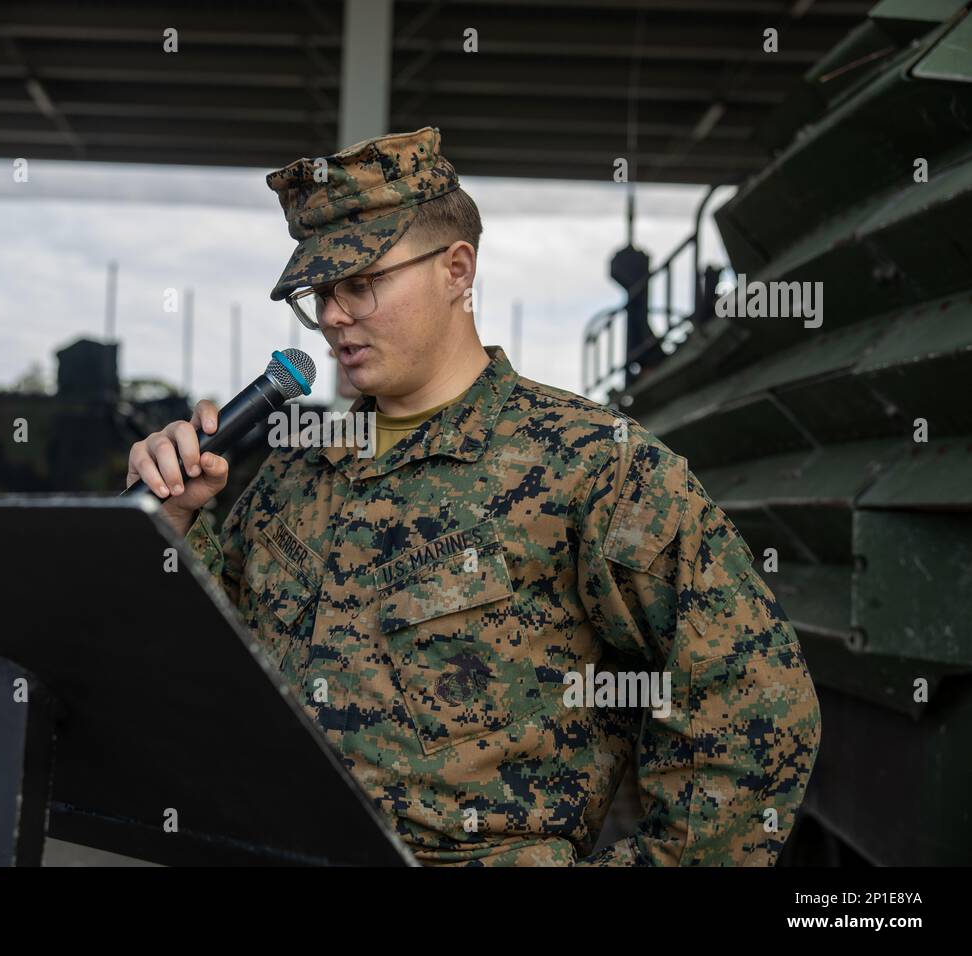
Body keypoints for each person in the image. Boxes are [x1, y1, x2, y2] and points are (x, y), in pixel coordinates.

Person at [125, 127, 821, 866]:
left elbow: (754, 706)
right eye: (319, 293)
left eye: (360, 282)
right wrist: (172, 524)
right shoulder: (299, 468)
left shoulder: (594, 467)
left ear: (458, 270)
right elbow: (209, 673)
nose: (332, 316)